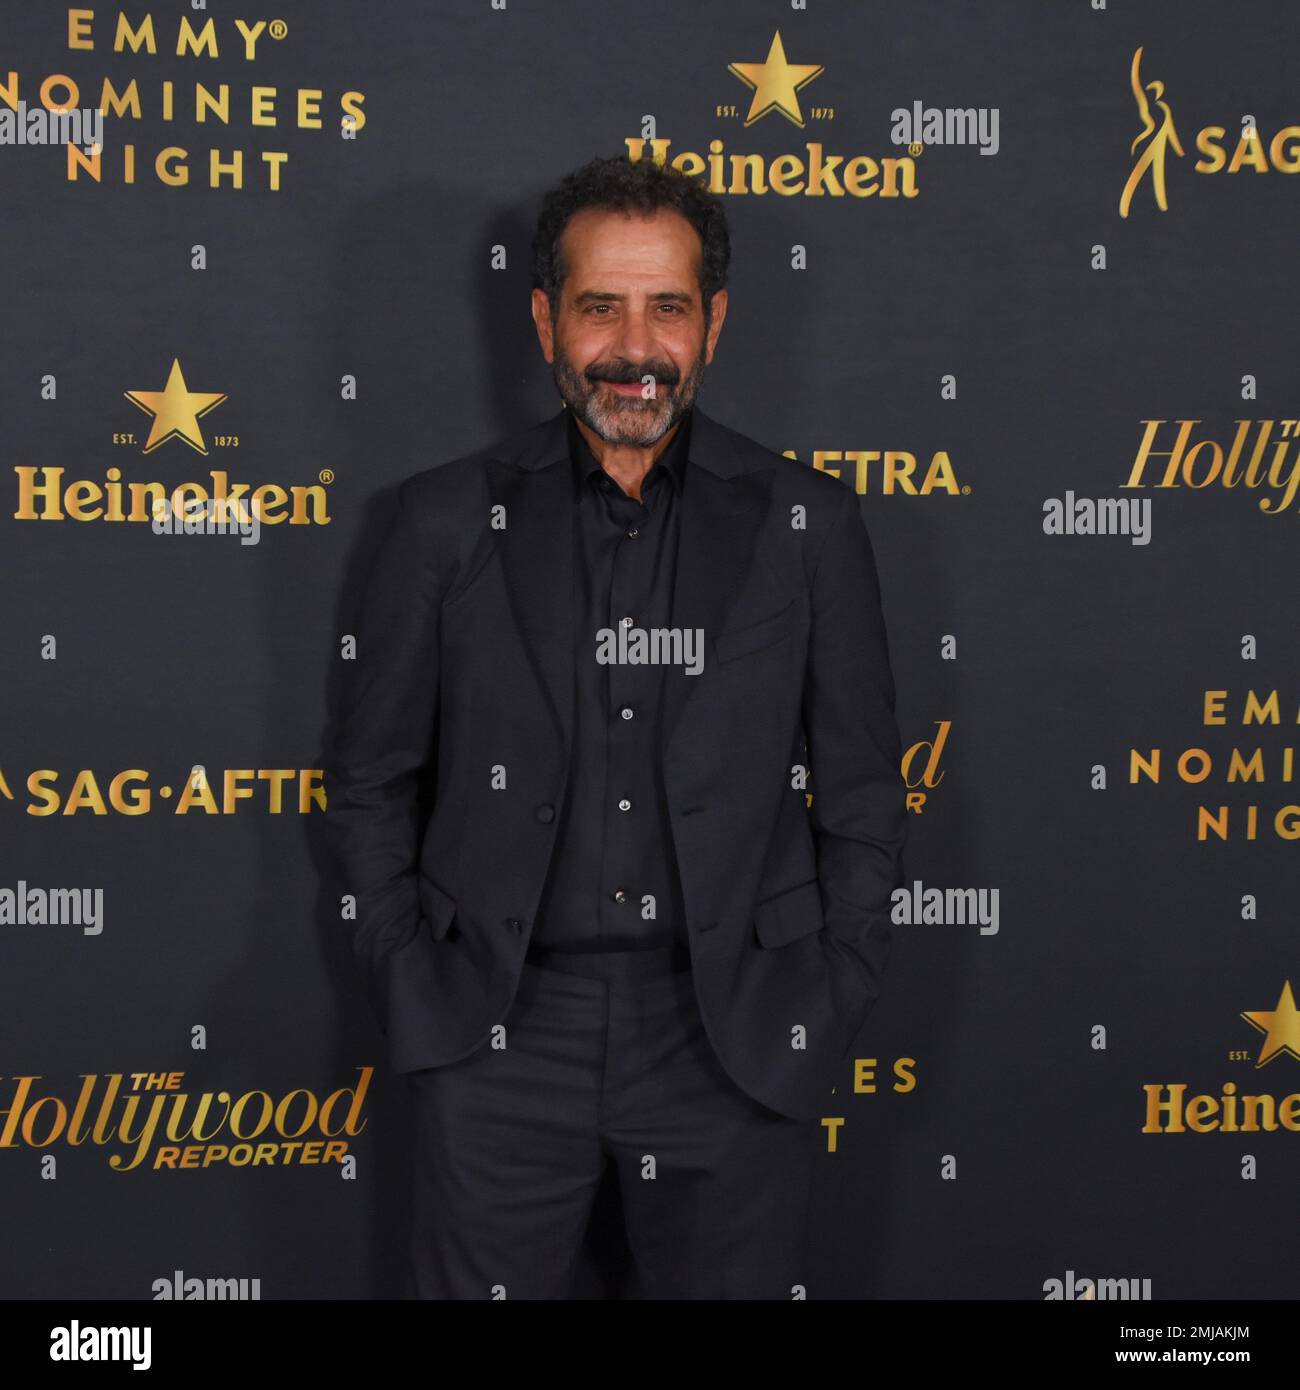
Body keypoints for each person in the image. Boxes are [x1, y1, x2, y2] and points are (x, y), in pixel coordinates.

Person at [323, 153, 908, 1299]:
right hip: (494, 1040)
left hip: (734, 1037)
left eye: (668, 309)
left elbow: (862, 794)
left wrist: (832, 984)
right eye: (601, 307)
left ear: (715, 322)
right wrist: (408, 975)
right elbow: (372, 779)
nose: (635, 347)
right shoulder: (442, 520)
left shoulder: (810, 524)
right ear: (546, 319)